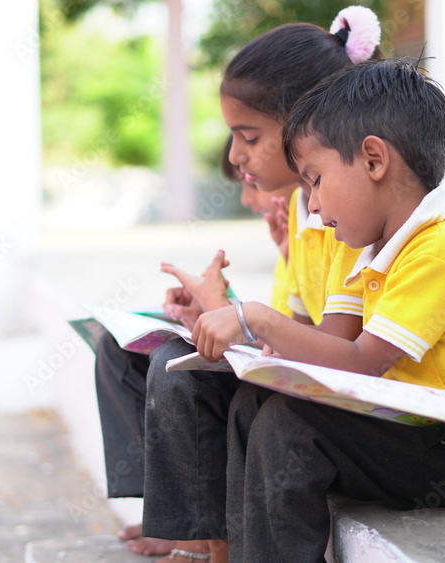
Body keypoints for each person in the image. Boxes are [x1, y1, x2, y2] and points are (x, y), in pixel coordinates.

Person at [190, 57, 445, 562]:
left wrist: (259, 318)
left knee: (290, 422)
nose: (312, 206)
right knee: (252, 403)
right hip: (409, 427)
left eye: (315, 179)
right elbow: (328, 349)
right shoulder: (374, 251)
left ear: (374, 160)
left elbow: (358, 363)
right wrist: (252, 338)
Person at [141, 6, 381, 562]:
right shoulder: (304, 209)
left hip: (361, 400)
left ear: (302, 124)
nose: (234, 156)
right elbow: (297, 332)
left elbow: (337, 351)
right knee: (171, 368)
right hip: (322, 375)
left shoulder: (359, 215)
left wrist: (245, 317)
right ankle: (206, 547)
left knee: (257, 407)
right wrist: (217, 310)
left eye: (248, 136)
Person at [93, 136, 295, 558]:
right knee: (118, 349)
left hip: (287, 387)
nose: (247, 199)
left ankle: (196, 535)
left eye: (253, 183)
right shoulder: (297, 239)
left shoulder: (325, 231)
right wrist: (207, 312)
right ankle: (166, 515)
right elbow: (281, 329)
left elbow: (303, 345)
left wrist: (219, 308)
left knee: (177, 369)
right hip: (273, 362)